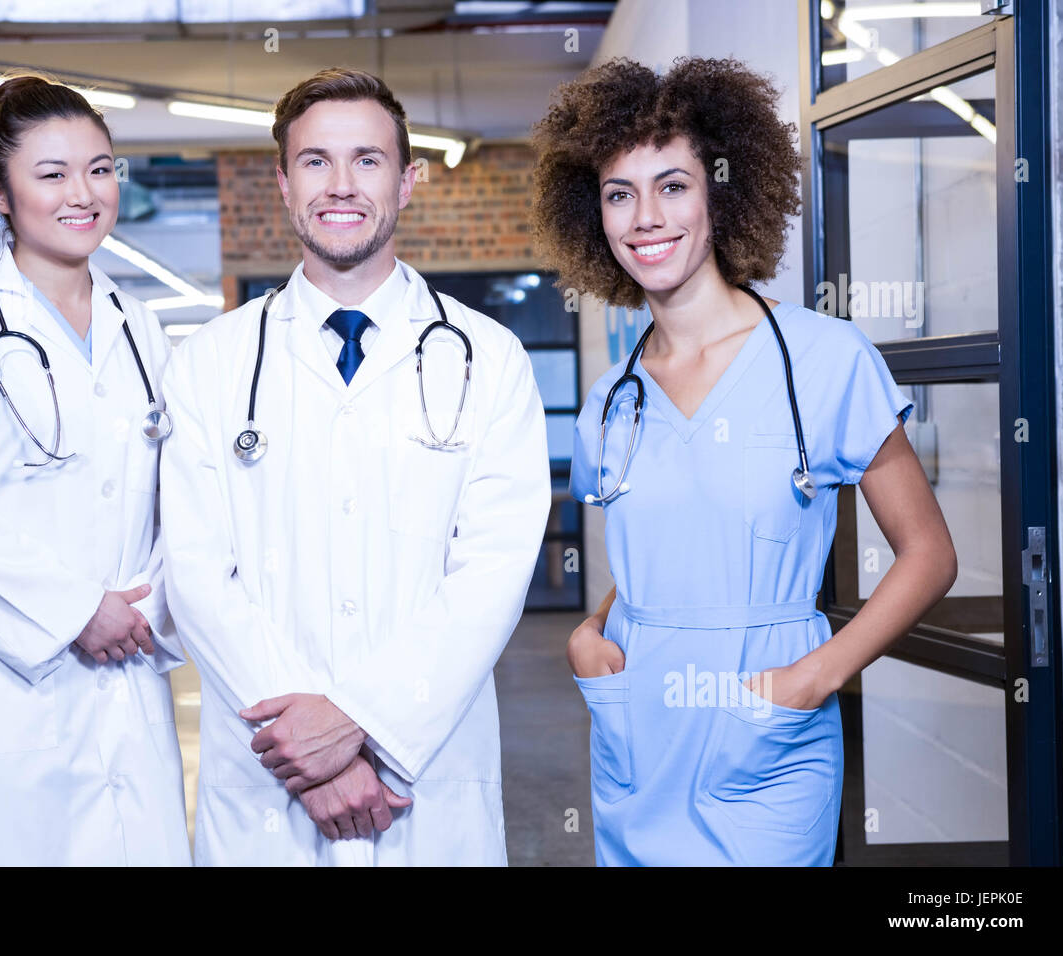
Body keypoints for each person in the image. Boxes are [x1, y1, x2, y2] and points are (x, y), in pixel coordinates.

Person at [529, 57, 958, 866]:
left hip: (769, 735)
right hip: (638, 730)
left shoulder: (823, 360)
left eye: (673, 186)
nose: (645, 217)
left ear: (722, 194)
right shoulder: (609, 401)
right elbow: (672, 545)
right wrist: (592, 631)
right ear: (596, 217)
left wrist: (818, 676)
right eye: (620, 194)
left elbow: (930, 556)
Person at [159, 67, 551, 865]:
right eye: (315, 162)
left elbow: (493, 571)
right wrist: (311, 754)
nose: (341, 185)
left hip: (422, 767)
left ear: (408, 182)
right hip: (271, 774)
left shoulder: (489, 357)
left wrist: (364, 722)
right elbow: (199, 573)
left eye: (368, 161)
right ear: (282, 182)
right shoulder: (209, 362)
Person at [0, 74, 191, 866]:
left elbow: (181, 493)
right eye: (50, 174)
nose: (82, 194)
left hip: (127, 664)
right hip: (1, 682)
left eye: (99, 168)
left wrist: (144, 607)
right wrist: (71, 610)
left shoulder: (143, 331)